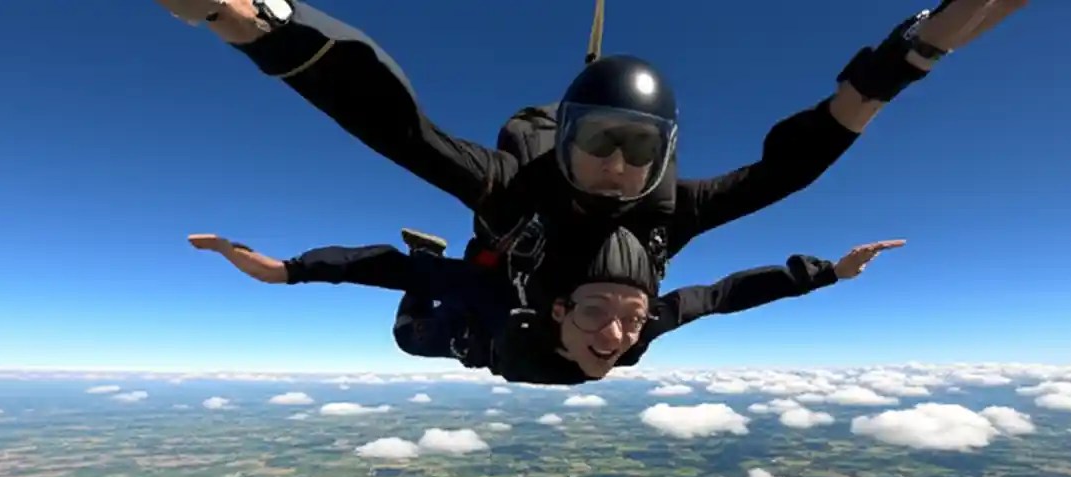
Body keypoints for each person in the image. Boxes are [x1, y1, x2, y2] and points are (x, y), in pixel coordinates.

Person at [154, 0, 1024, 316]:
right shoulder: (518, 185)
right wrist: (260, 20)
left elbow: (787, 170)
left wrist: (292, 272)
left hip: (502, 293)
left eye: (637, 148)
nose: (614, 165)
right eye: (596, 142)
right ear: (560, 141)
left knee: (446, 308)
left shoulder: (654, 217)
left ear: (663, 156)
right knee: (440, 314)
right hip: (502, 282)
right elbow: (390, 124)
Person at [186, 228, 903, 383]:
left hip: (497, 336)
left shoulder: (642, 324)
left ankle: (453, 262)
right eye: (599, 316)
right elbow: (385, 266)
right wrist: (287, 272)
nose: (619, 336)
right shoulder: (500, 300)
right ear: (559, 311)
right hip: (472, 328)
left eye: (632, 320)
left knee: (452, 285)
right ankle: (453, 258)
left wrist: (827, 274)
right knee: (411, 329)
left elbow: (720, 296)